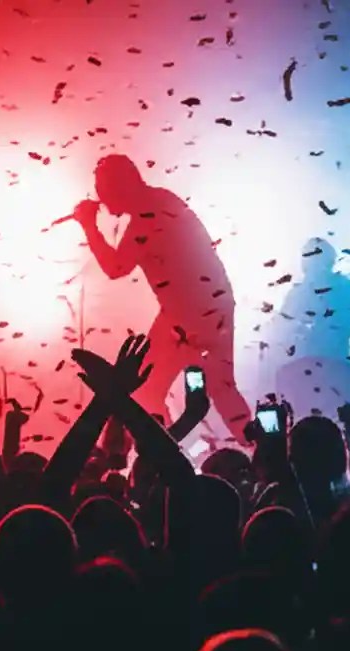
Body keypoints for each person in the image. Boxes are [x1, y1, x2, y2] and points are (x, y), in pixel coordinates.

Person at [72, 155, 251, 442]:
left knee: (147, 389)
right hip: (202, 307)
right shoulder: (160, 202)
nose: (101, 200)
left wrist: (89, 226)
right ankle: (262, 451)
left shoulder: (149, 215)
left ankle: (164, 457)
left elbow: (116, 268)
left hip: (188, 313)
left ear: (122, 186)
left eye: (103, 190)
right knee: (218, 389)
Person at [272, 237, 350, 421]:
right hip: (338, 369)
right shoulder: (349, 288)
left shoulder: (295, 293)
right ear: (331, 261)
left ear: (304, 263)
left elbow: (280, 332)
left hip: (297, 371)